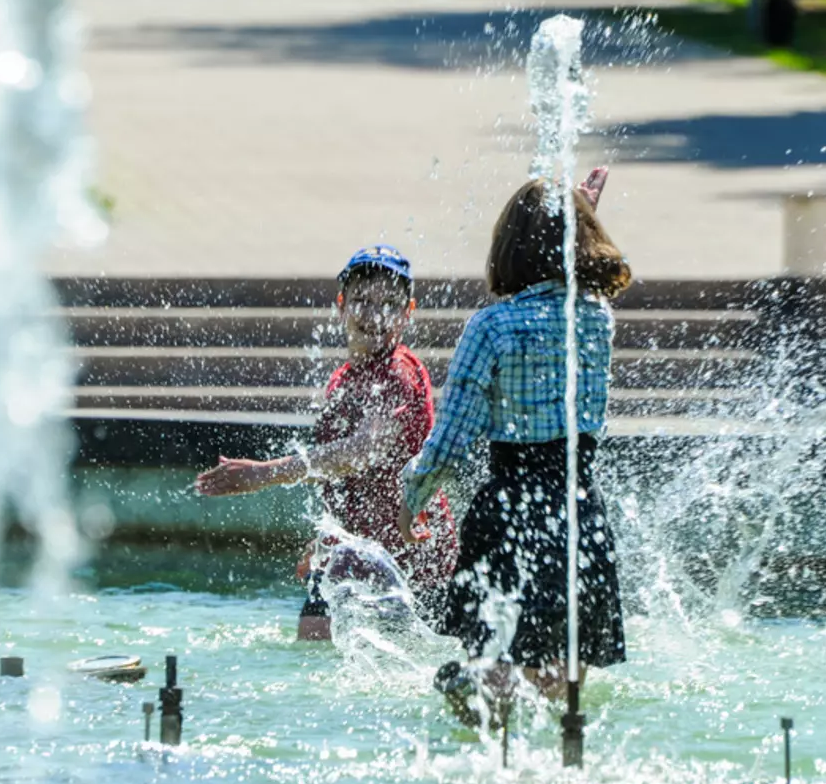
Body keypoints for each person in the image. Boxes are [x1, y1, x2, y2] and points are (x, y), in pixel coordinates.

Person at [397, 167, 630, 710]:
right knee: (561, 683)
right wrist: (578, 214)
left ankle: (481, 707)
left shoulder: (493, 326)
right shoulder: (597, 319)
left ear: (507, 247)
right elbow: (574, 280)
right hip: (579, 513)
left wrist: (415, 496)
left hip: (511, 512)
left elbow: (453, 438)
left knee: (499, 664)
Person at [195, 245, 459, 640]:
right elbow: (344, 479)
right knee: (311, 652)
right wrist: (326, 538)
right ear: (341, 305)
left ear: (408, 313)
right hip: (355, 559)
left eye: (389, 304)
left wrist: (263, 474)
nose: (374, 316)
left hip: (414, 566)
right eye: (362, 301)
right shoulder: (342, 378)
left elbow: (359, 453)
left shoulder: (398, 374)